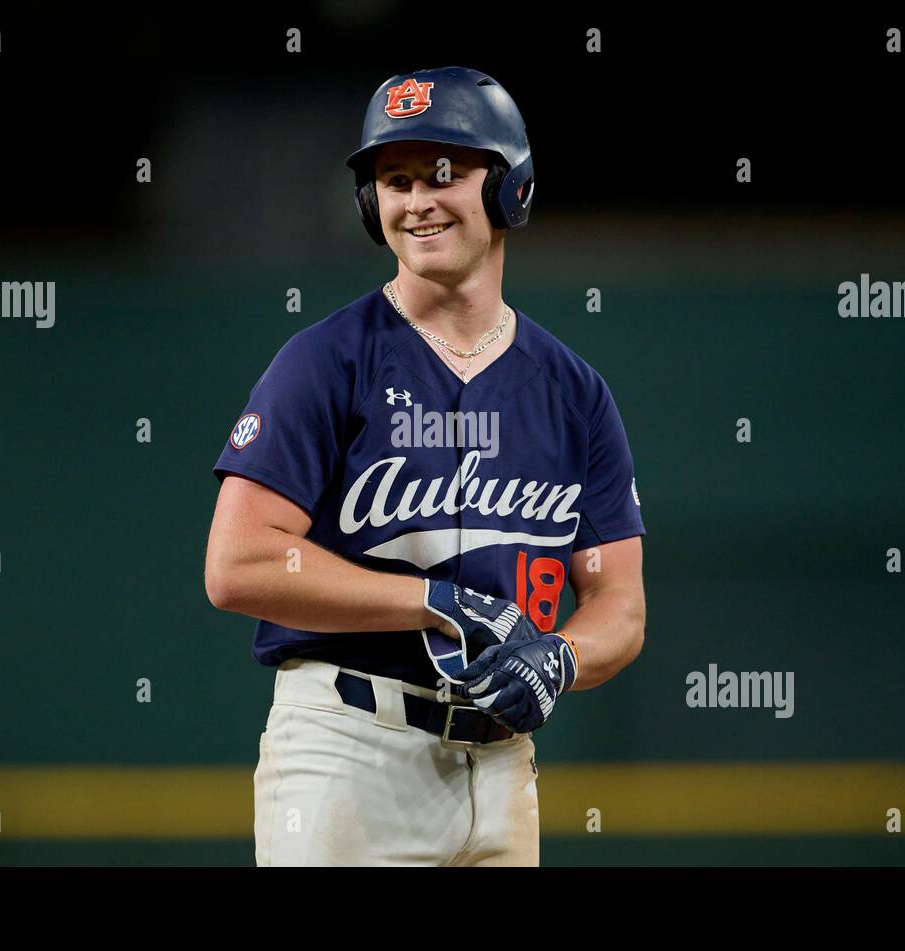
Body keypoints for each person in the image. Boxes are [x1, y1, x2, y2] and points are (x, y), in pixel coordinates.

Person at [205, 66, 646, 866]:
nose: (418, 201)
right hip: (347, 748)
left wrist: (564, 656)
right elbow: (237, 565)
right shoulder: (325, 362)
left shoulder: (574, 391)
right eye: (394, 179)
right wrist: (433, 602)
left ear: (510, 190)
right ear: (372, 206)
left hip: (503, 765)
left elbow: (618, 601)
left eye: (445, 173)